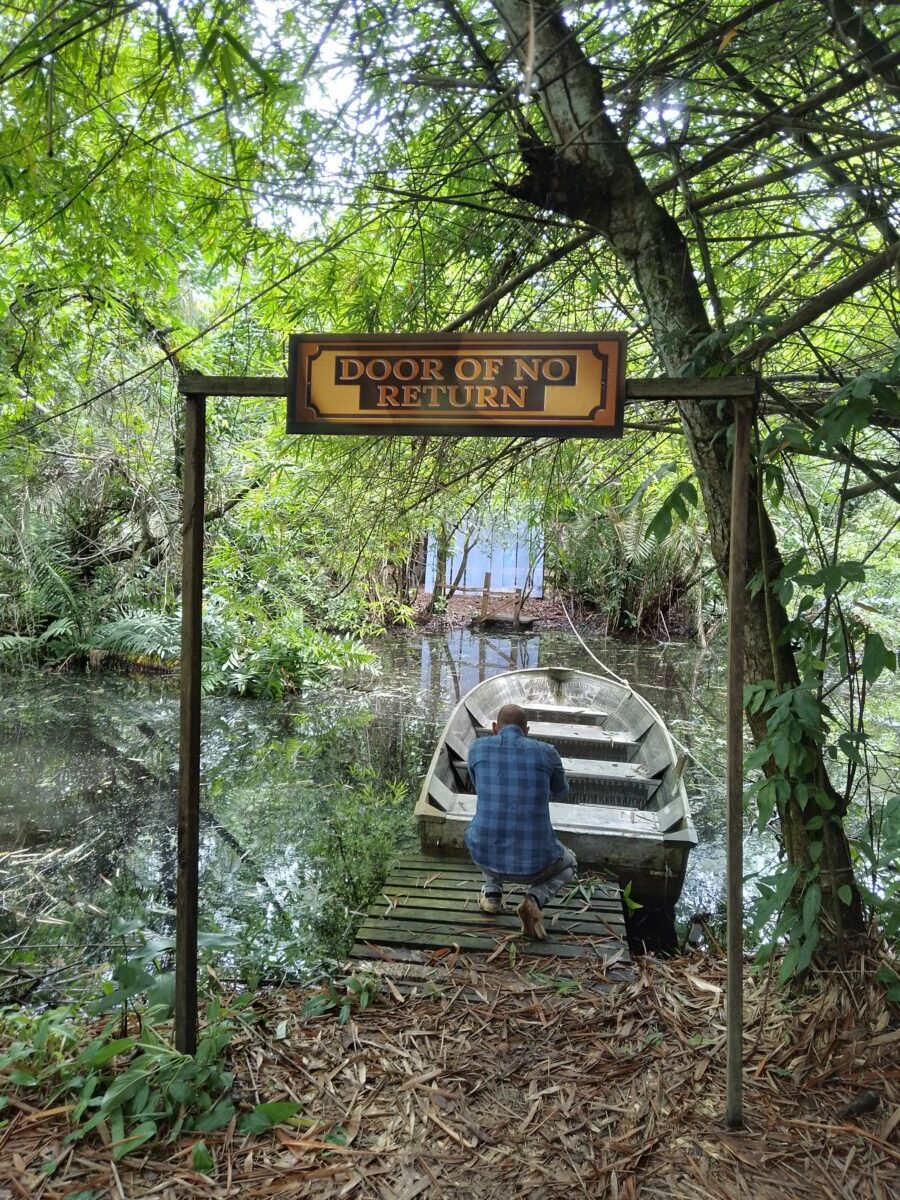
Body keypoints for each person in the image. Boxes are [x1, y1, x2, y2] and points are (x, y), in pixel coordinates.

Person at [465, 702, 577, 939]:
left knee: (487, 824)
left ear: (495, 728)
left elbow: (479, 787)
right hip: (536, 867)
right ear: (526, 731)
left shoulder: (477, 748)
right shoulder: (547, 751)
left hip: (484, 855)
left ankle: (492, 894)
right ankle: (534, 898)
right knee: (571, 863)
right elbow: (562, 792)